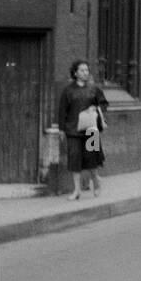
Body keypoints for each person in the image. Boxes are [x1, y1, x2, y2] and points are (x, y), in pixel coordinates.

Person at [57, 59, 108, 200]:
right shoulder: (68, 91)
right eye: (82, 70)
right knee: (74, 160)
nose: (86, 73)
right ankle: (77, 190)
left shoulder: (94, 89)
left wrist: (96, 108)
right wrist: (61, 129)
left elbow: (103, 104)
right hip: (73, 130)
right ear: (75, 73)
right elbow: (62, 111)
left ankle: (96, 182)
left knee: (92, 158)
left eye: (87, 70)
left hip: (91, 129)